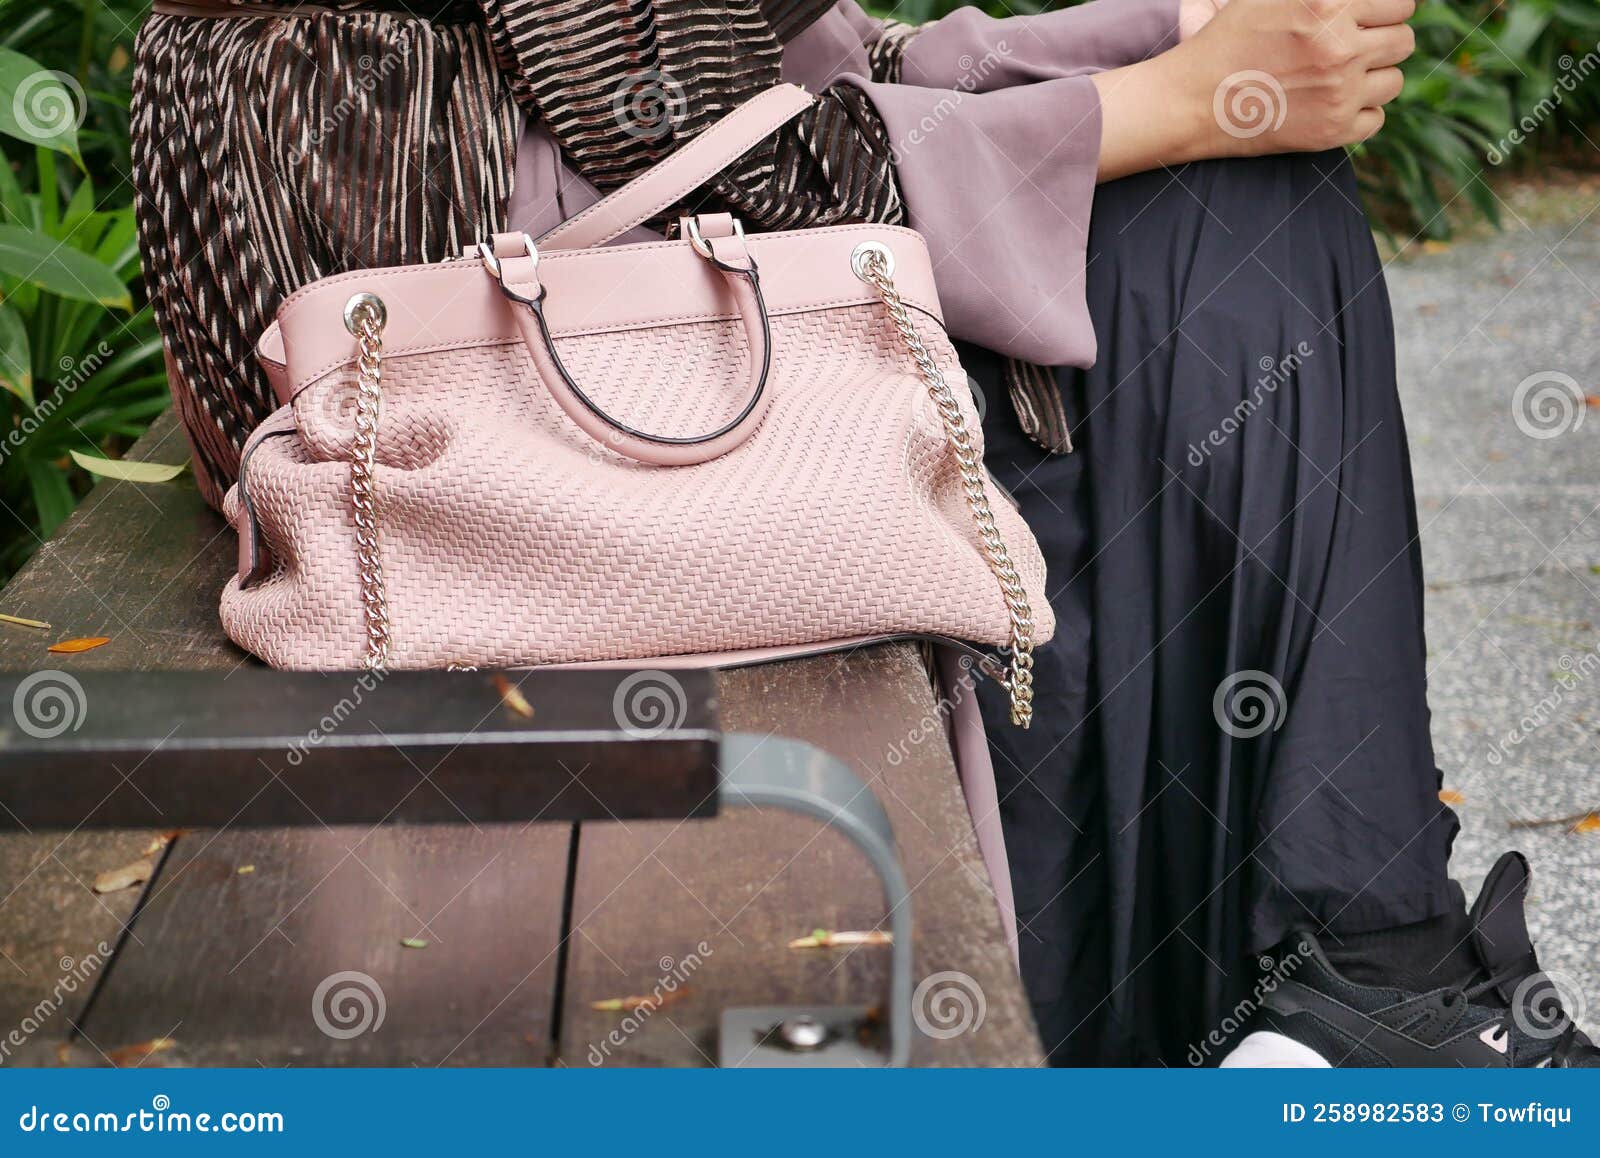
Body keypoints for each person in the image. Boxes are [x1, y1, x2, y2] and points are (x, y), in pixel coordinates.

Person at [132, 0, 1595, 1067]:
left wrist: (1153, 41)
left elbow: (772, 74)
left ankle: (1344, 984)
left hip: (497, 303)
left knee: (1214, 235)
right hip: (482, 374)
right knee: (1230, 239)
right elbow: (701, 157)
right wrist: (1177, 102)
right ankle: (1335, 986)